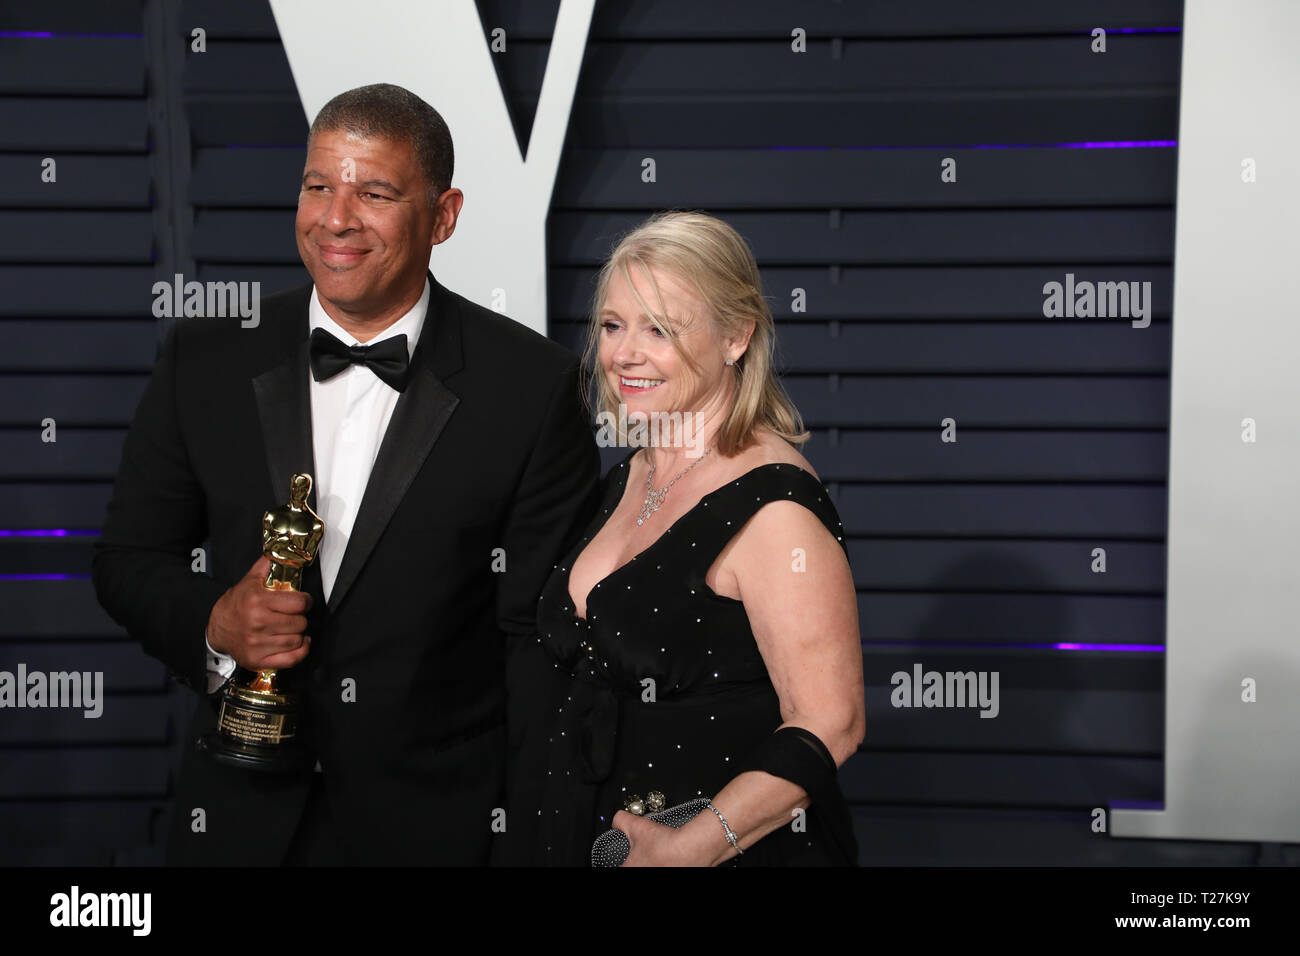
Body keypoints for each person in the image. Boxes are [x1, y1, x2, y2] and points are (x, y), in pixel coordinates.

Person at [92, 83, 599, 865]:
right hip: (238, 825)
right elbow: (127, 562)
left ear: (443, 215)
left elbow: (536, 645)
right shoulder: (206, 360)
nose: (335, 218)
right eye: (318, 186)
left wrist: (527, 839)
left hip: (442, 834)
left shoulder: (531, 386)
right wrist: (217, 623)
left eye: (375, 192)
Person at [535, 211, 866, 865]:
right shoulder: (633, 472)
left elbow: (833, 721)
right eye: (612, 325)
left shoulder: (774, 507)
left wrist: (694, 848)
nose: (624, 354)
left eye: (659, 329)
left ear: (737, 335)